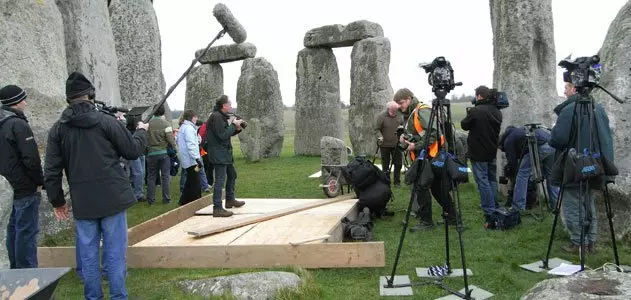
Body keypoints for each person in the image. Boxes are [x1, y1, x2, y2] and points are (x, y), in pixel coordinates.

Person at [44, 72, 148, 299]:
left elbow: (51, 169)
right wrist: (141, 131)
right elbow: (132, 150)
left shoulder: (59, 130)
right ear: (91, 95)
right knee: (115, 252)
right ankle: (118, 296)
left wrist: (57, 201)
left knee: (89, 255)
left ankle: (93, 296)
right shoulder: (106, 122)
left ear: (69, 99)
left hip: (84, 200)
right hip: (112, 196)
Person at [550, 81, 614, 254]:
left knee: (572, 203)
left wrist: (553, 132)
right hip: (595, 164)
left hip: (574, 165)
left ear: (574, 88)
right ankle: (590, 241)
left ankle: (578, 242)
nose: (564, 93)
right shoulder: (598, 108)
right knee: (588, 202)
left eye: (566, 89)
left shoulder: (570, 110)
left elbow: (558, 140)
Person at [394, 88, 456, 231]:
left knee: (422, 187)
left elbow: (434, 132)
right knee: (437, 189)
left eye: (401, 102)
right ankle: (453, 218)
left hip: (430, 155)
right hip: (428, 155)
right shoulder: (412, 113)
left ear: (409, 98)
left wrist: (416, 145)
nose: (399, 106)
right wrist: (407, 138)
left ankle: (427, 222)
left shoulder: (421, 110)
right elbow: (422, 133)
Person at [0, 85, 43, 269]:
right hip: (25, 185)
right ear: (16, 102)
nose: (26, 101)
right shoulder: (18, 125)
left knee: (14, 230)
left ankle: (16, 269)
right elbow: (31, 158)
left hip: (11, 184)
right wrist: (39, 181)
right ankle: (28, 274)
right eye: (23, 98)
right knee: (26, 232)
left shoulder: (4, 122)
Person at [460, 85, 502, 217]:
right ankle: (494, 204)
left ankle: (489, 209)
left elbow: (464, 125)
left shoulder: (475, 111)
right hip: (491, 150)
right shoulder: (497, 111)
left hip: (478, 152)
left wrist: (470, 113)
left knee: (482, 181)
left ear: (479, 96)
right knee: (492, 179)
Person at [499, 125, 559, 211]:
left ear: (501, 143)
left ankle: (518, 207)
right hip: (551, 144)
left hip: (538, 146)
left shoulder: (508, 141)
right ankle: (555, 206)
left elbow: (513, 164)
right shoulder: (518, 132)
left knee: (522, 174)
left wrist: (510, 175)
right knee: (550, 175)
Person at [206, 95, 245, 217]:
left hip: (224, 153)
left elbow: (226, 134)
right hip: (219, 154)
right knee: (220, 181)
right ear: (224, 105)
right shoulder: (216, 117)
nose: (231, 106)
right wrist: (233, 124)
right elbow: (222, 135)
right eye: (229, 104)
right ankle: (217, 208)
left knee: (232, 175)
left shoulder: (220, 116)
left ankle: (230, 200)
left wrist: (237, 128)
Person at [146, 104, 176, 205]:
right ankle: (166, 199)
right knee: (165, 176)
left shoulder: (148, 124)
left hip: (151, 153)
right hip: (163, 153)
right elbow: (170, 140)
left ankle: (151, 200)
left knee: (151, 177)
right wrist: (175, 149)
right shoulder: (166, 124)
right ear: (163, 112)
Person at [373, 100, 404, 186]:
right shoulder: (381, 116)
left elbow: (403, 125)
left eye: (395, 110)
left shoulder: (400, 115)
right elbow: (376, 129)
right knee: (385, 164)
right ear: (388, 109)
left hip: (397, 144)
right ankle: (386, 181)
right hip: (384, 144)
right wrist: (379, 137)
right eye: (392, 110)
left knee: (398, 164)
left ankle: (397, 182)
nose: (394, 112)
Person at [177, 109, 203, 206]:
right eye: (196, 117)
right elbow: (191, 145)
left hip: (187, 159)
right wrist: (197, 158)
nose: (197, 119)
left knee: (190, 181)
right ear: (192, 117)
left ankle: (184, 201)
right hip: (191, 160)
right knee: (195, 183)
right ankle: (196, 202)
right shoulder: (189, 128)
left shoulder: (185, 127)